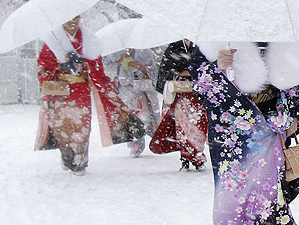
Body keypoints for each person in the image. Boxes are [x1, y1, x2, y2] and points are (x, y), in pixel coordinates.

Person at [186, 41, 299, 225]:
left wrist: (294, 114)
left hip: (269, 125)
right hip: (231, 129)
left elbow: (298, 74)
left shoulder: (281, 27)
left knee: (268, 203)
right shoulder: (217, 31)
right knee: (230, 200)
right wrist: (217, 67)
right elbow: (199, 78)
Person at [35, 16, 145, 174]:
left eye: (75, 17)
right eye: (67, 18)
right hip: (62, 91)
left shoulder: (89, 40)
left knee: (82, 125)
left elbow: (96, 67)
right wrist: (61, 67)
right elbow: (44, 65)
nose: (72, 21)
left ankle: (80, 159)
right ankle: (67, 155)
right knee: (63, 126)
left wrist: (83, 63)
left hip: (80, 90)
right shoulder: (53, 40)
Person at [149, 40, 208, 171]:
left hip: (197, 93)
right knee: (181, 128)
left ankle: (197, 156)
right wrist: (181, 71)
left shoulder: (201, 45)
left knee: (198, 127)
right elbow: (166, 69)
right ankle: (185, 158)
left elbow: (206, 67)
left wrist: (192, 69)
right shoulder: (174, 46)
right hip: (180, 95)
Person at [103, 47, 159, 157]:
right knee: (129, 117)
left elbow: (154, 71)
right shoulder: (114, 52)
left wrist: (139, 67)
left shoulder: (144, 51)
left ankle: (141, 136)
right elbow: (106, 70)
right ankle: (134, 141)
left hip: (141, 89)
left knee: (144, 117)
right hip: (124, 89)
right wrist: (120, 62)